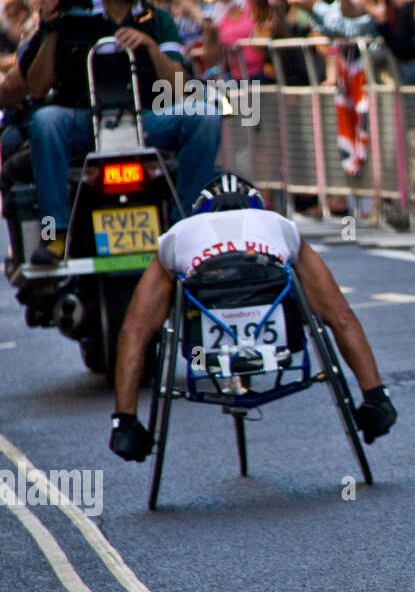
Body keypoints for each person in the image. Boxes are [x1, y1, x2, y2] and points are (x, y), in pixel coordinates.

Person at [108, 173, 397, 461]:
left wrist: (126, 420)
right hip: (283, 346)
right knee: (318, 302)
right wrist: (375, 398)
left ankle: (123, 424)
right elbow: (341, 316)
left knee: (153, 319)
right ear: (258, 207)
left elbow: (135, 330)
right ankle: (377, 399)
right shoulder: (280, 225)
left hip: (202, 354)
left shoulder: (178, 233)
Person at [20, 0, 223, 264]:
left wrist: (150, 47)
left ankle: (187, 227)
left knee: (205, 114)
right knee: (46, 121)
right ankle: (56, 234)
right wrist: (51, 28)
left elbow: (176, 89)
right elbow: (37, 87)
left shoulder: (158, 20)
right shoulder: (71, 13)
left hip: (145, 121)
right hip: (85, 122)